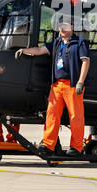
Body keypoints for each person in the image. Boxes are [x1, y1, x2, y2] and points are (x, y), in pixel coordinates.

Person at [17, 19, 91, 156]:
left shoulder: (80, 42)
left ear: (72, 27)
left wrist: (80, 82)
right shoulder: (56, 43)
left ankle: (76, 148)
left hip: (72, 85)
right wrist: (24, 50)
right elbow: (40, 50)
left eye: (65, 26)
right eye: (60, 27)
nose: (62, 29)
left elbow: (86, 61)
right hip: (57, 85)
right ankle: (48, 144)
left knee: (76, 117)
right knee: (51, 115)